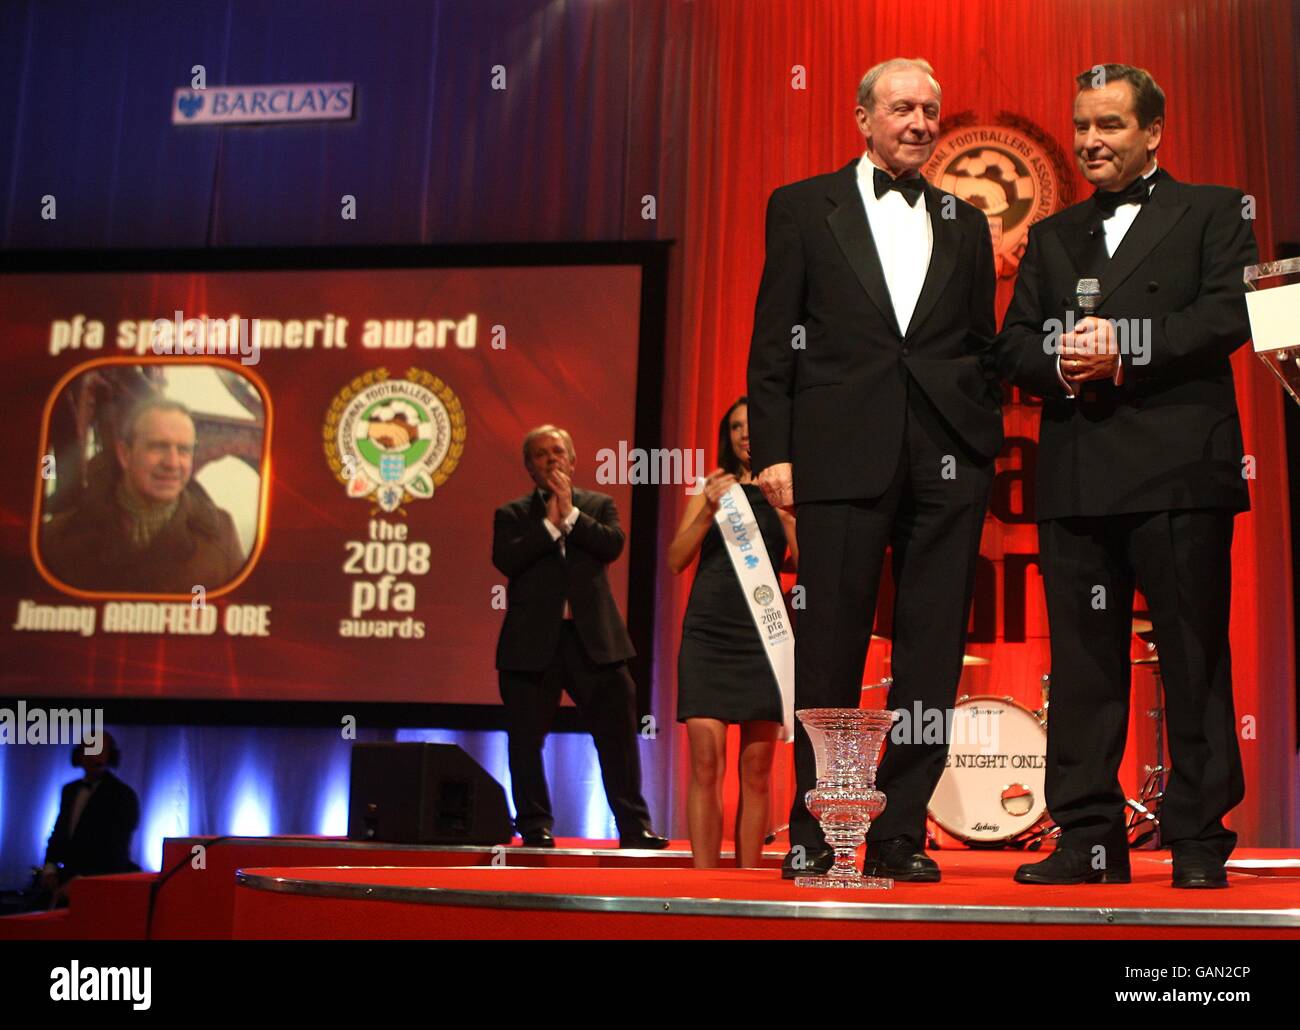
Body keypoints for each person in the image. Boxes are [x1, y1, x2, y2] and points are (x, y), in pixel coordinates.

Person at [995, 65, 1256, 889]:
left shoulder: (1214, 210)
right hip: (1076, 472)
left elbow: (1228, 315)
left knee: (1193, 658)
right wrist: (1065, 369)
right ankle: (1088, 839)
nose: (1089, 142)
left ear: (1154, 133)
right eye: (1080, 126)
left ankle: (1198, 840)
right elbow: (1012, 346)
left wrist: (1125, 347)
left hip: (1179, 471)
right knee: (1080, 667)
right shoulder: (1053, 233)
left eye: (1108, 125)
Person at [747, 58, 1002, 881]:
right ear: (862, 118)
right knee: (830, 646)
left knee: (931, 654)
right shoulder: (800, 206)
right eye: (902, 108)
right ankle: (818, 829)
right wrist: (777, 452)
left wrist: (981, 436)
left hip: (948, 460)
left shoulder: (966, 220)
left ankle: (899, 832)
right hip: (838, 455)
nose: (920, 121)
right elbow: (772, 339)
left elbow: (976, 345)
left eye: (931, 109)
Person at [492, 425, 667, 849]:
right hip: (532, 646)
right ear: (529, 467)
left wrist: (569, 515)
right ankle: (535, 825)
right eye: (540, 454)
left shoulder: (597, 505)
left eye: (557, 452)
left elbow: (612, 545)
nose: (550, 460)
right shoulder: (512, 514)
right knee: (526, 740)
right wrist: (550, 527)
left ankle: (633, 826)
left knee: (619, 737)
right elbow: (508, 559)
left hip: (596, 643)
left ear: (572, 460)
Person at [669, 397, 797, 868]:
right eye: (737, 426)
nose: (746, 433)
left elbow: (808, 564)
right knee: (706, 763)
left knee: (757, 772)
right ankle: (703, 884)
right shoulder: (710, 489)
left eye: (754, 423)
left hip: (763, 638)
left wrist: (786, 513)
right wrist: (707, 510)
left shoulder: (787, 489)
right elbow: (675, 559)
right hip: (708, 633)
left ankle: (746, 883)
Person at [40, 396, 245, 594]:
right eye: (158, 447)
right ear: (125, 454)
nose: (172, 463)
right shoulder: (56, 539)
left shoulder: (221, 536)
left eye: (183, 450)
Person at [41, 732, 140, 908]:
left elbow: (116, 848)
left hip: (101, 886)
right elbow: (60, 833)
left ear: (110, 755)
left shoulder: (123, 795)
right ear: (79, 754)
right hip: (65, 882)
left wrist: (81, 881)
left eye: (100, 749)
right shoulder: (69, 791)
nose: (94, 754)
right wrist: (50, 868)